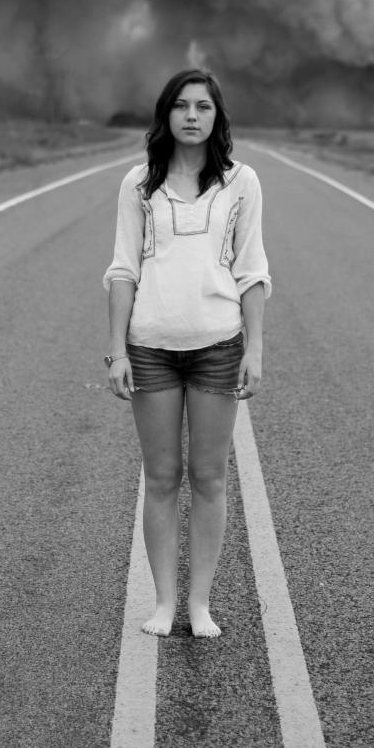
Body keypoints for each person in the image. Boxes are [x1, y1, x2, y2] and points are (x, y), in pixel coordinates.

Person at [103, 68, 271, 638]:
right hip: (150, 347)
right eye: (181, 106)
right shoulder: (138, 184)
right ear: (166, 114)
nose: (192, 116)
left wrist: (255, 347)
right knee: (160, 477)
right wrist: (117, 350)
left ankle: (200, 603)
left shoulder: (241, 182)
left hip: (218, 346)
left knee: (209, 477)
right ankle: (164, 603)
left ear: (217, 116)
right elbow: (123, 269)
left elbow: (252, 270)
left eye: (203, 106)